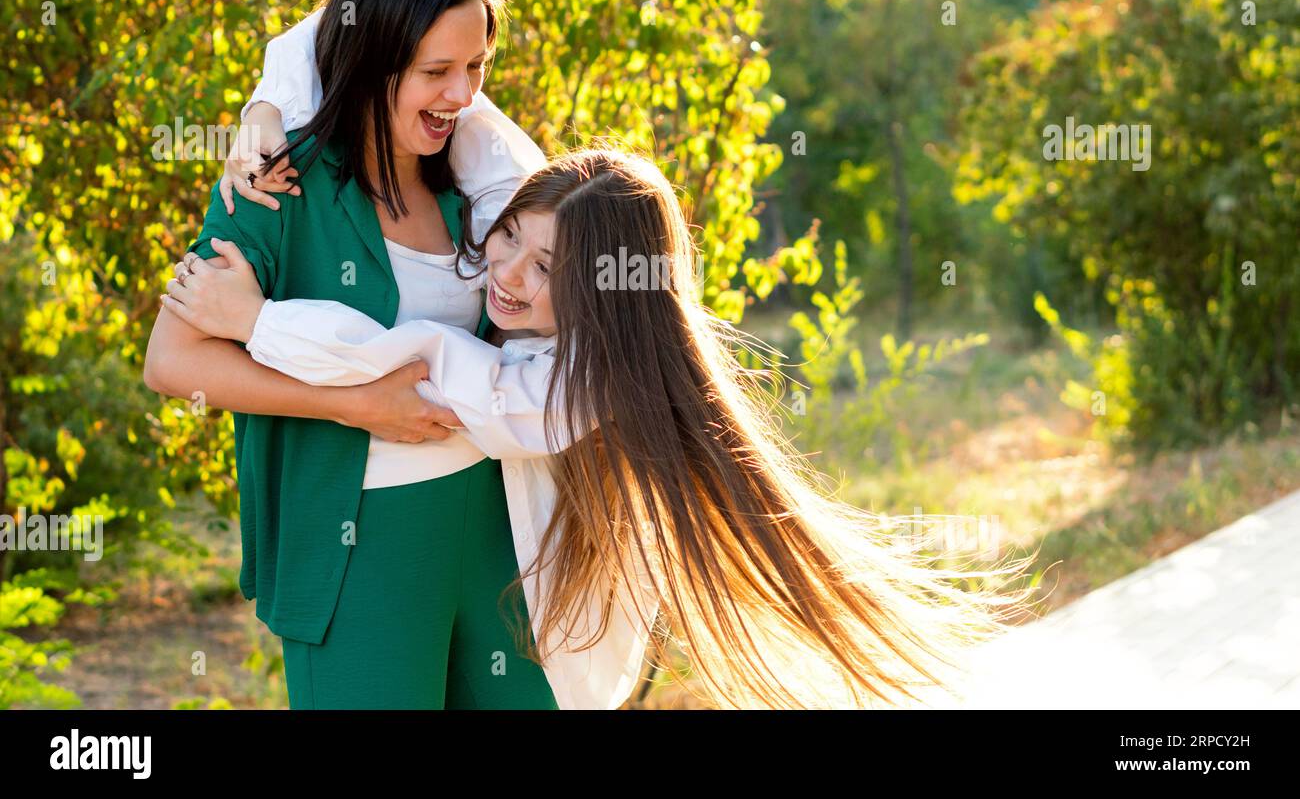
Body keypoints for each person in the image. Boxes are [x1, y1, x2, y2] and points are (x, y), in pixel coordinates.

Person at [162, 146, 1041, 709]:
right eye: (508, 239)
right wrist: (268, 106)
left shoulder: (574, 383)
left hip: (541, 629)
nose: (507, 276)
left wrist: (255, 321)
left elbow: (420, 353)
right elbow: (467, 110)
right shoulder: (481, 203)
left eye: (548, 269)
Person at [144, 0, 569, 708]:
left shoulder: (471, 185)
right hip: (357, 541)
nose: (463, 94)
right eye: (436, 71)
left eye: (477, 66)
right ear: (374, 61)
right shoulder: (275, 183)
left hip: (495, 531)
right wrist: (352, 405)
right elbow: (171, 361)